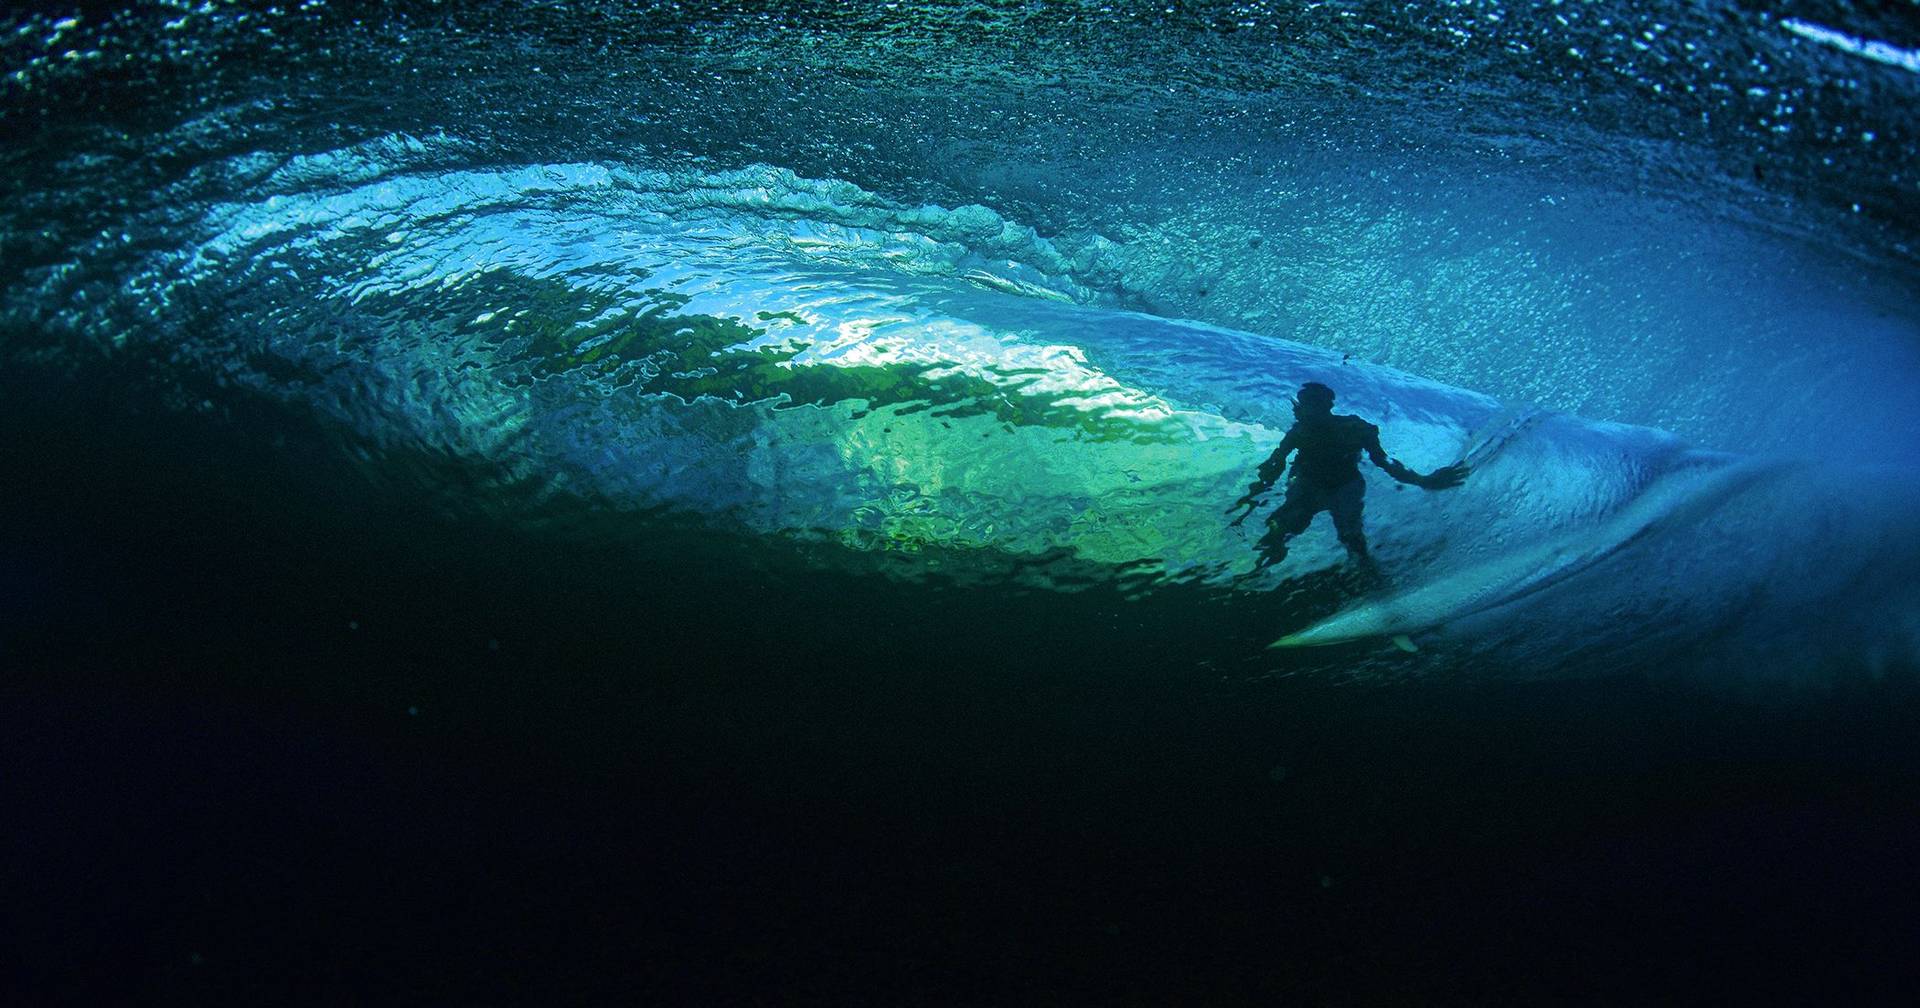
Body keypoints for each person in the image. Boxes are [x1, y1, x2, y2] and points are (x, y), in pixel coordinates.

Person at [1228, 382, 1468, 570]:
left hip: (1345, 487)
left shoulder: (1355, 428)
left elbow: (1384, 462)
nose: (1304, 410)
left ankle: (1370, 581)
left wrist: (1423, 480)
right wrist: (1249, 501)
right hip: (1307, 485)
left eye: (1311, 404)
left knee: (1352, 539)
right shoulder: (1299, 432)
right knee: (1279, 531)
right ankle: (1258, 572)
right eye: (1303, 404)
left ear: (1326, 406)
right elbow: (1273, 466)